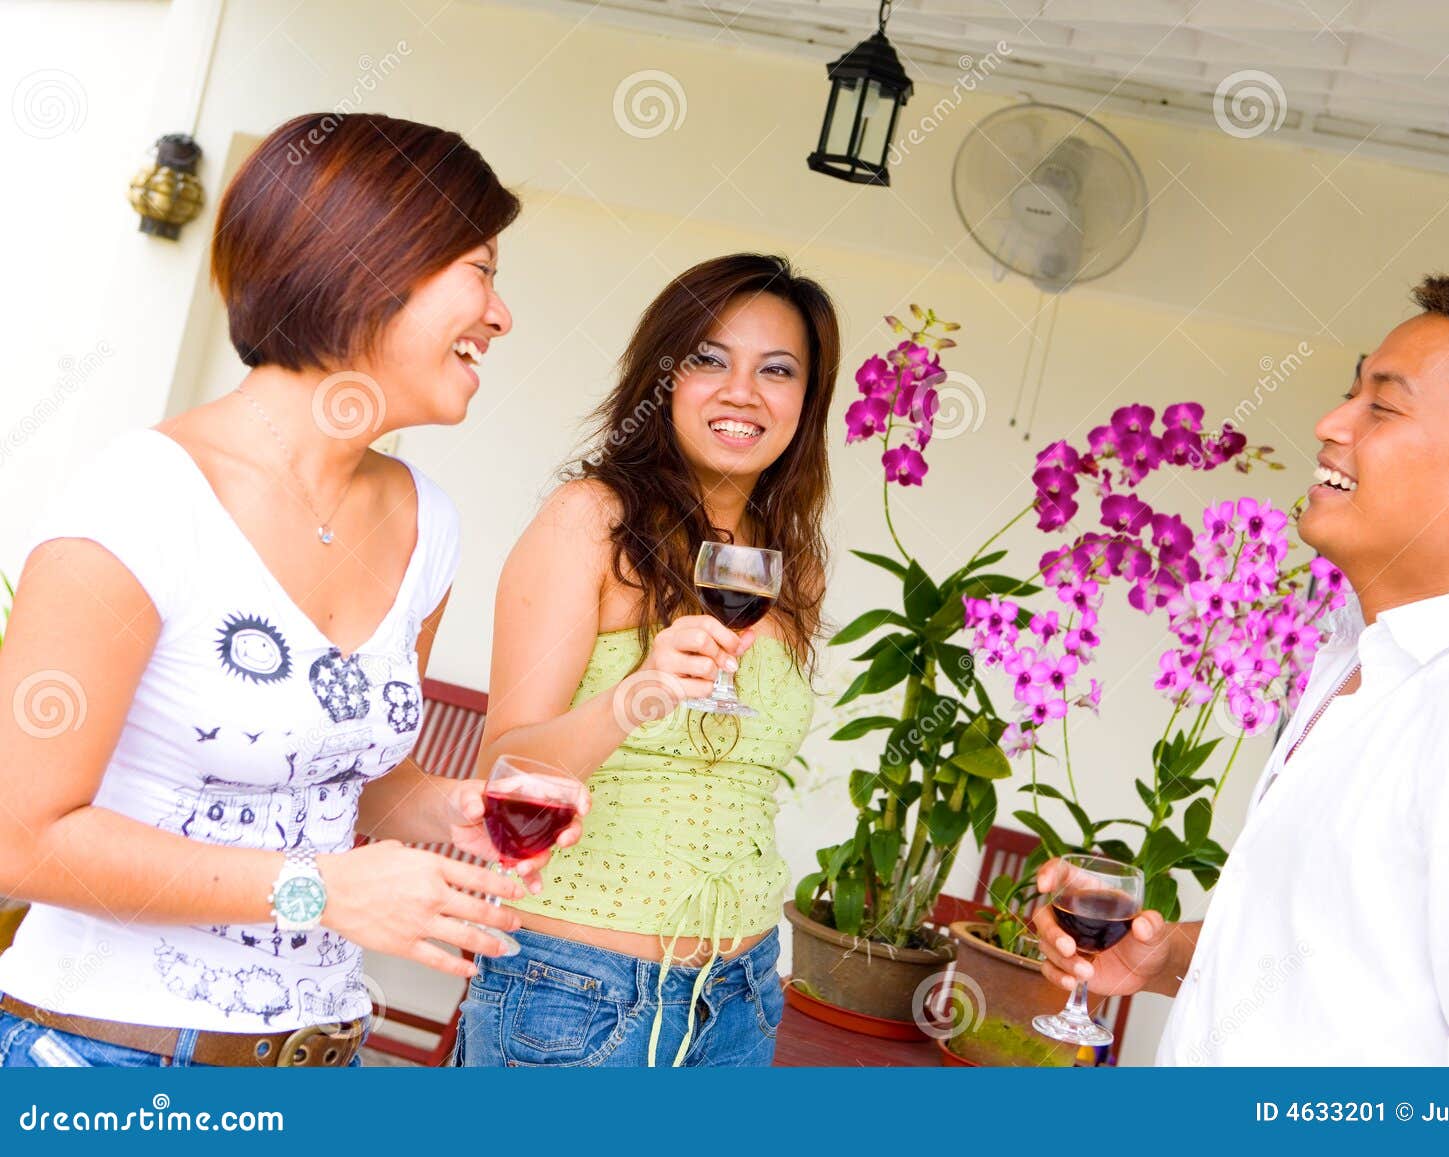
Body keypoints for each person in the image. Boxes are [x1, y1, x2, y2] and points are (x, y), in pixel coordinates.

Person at [0, 112, 583, 1068]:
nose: (500, 314)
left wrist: (448, 810)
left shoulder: (425, 522)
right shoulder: (146, 499)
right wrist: (317, 889)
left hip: (320, 1058)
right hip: (107, 1057)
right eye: (480, 271)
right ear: (371, 265)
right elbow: (18, 837)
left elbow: (356, 786)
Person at [1035, 274, 1449, 1064]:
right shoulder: (1360, 662)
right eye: (1349, 393)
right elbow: (1349, 977)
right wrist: (1172, 960)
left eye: (1382, 405)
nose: (1330, 423)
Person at [455, 253, 838, 1067]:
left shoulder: (789, 565)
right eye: (708, 359)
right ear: (661, 377)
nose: (742, 391)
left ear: (805, 403)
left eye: (777, 369)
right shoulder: (589, 521)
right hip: (578, 992)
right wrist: (636, 696)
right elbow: (503, 769)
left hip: (742, 994)